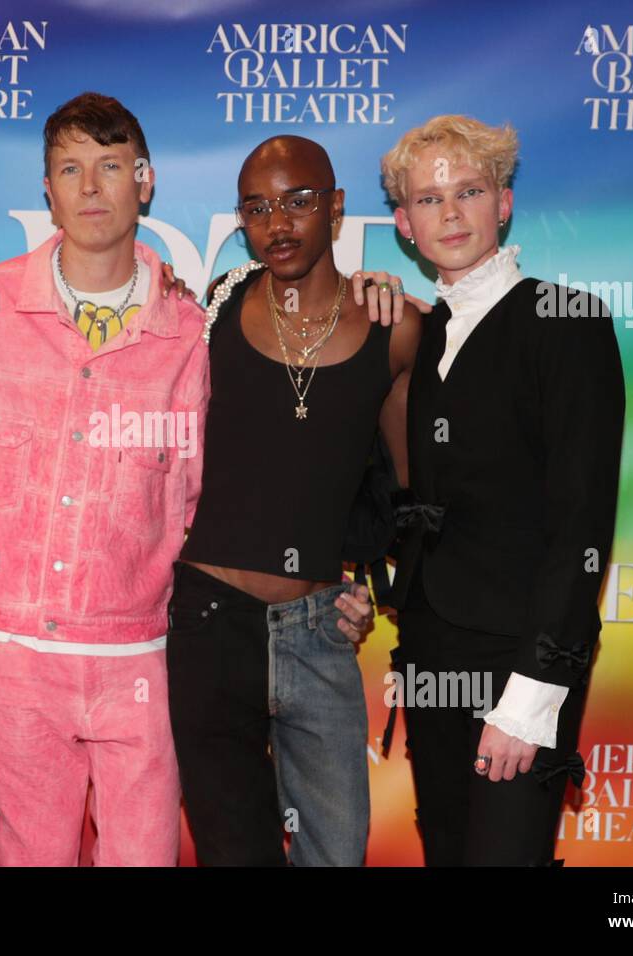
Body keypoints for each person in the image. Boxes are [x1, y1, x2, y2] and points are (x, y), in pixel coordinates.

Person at [0, 91, 210, 866]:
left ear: (144, 182)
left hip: (141, 658)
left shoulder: (189, 332)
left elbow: (196, 493)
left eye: (111, 166)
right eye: (71, 169)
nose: (91, 188)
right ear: (46, 190)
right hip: (10, 653)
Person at [357, 114, 625, 866]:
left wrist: (534, 697)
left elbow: (583, 526)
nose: (451, 213)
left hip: (522, 658)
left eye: (468, 191)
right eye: (429, 199)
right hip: (431, 650)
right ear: (405, 223)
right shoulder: (422, 331)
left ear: (502, 203)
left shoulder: (566, 321)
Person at [167, 135, 422, 866]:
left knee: (337, 854)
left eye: (299, 201)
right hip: (208, 624)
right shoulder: (212, 310)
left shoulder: (394, 328)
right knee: (234, 852)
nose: (279, 223)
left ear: (336, 208)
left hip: (318, 633)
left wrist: (376, 587)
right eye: (258, 207)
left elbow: (405, 500)